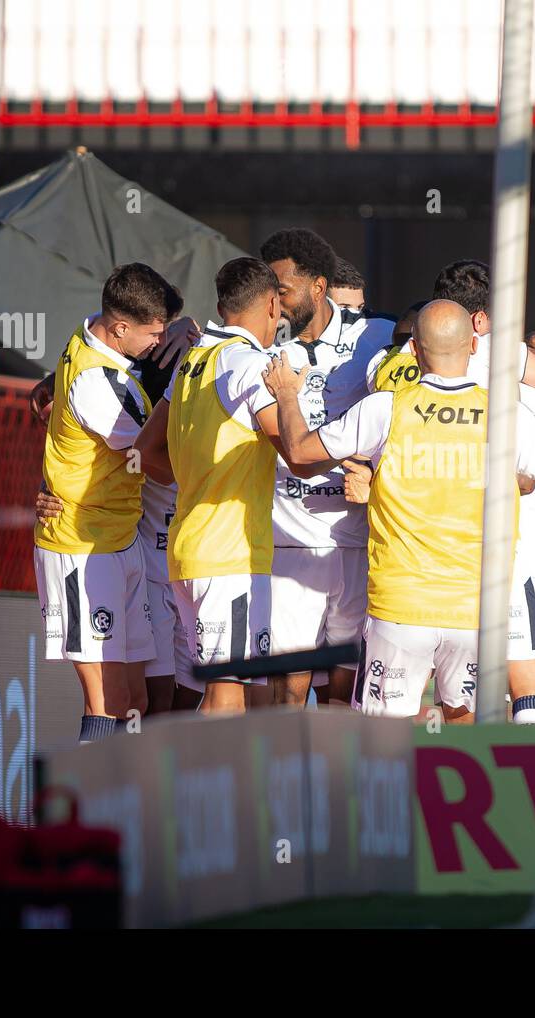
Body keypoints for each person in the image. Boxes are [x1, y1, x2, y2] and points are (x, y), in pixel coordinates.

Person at [265, 300, 535, 721]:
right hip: (475, 611)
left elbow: (300, 454)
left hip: (400, 610)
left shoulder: (385, 408)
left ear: (414, 351)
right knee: (462, 731)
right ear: (475, 345)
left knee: (379, 746)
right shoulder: (506, 416)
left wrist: (288, 396)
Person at [363, 260, 535, 723]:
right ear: (480, 323)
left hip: (416, 566)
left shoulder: (386, 369)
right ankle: (511, 791)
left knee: (405, 707)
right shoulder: (495, 355)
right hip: (510, 550)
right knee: (525, 689)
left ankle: (406, 790)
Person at [133, 256, 326, 716]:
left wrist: (203, 473)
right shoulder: (250, 365)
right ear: (273, 306)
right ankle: (194, 789)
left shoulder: (193, 361)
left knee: (246, 694)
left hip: (190, 550)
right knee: (227, 697)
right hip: (229, 556)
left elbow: (144, 453)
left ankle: (228, 786)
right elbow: (299, 456)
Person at [32, 263, 183, 742]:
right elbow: (151, 459)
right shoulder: (98, 384)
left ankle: (126, 808)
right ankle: (86, 810)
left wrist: (184, 329)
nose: (159, 343)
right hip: (81, 546)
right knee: (107, 701)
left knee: (134, 702)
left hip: (119, 539)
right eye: (153, 334)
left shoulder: (96, 336)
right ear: (119, 328)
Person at [258, 228, 395, 706]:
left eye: (282, 290)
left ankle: (339, 782)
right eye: (267, 292)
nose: (273, 303)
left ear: (317, 287)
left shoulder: (379, 336)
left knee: (345, 691)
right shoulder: (259, 348)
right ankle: (282, 782)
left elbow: (456, 339)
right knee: (287, 691)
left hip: (357, 539)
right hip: (289, 540)